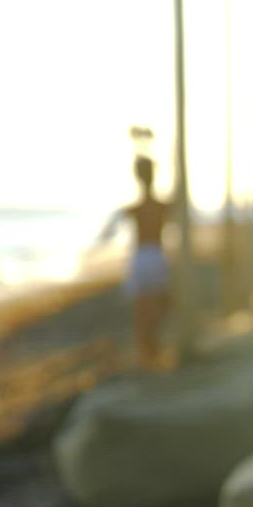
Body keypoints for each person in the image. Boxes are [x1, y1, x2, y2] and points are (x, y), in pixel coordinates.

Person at [98, 155, 173, 370]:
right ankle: (154, 352)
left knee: (142, 311)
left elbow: (107, 233)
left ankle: (147, 355)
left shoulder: (135, 208)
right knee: (157, 308)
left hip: (141, 259)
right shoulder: (161, 205)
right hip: (157, 257)